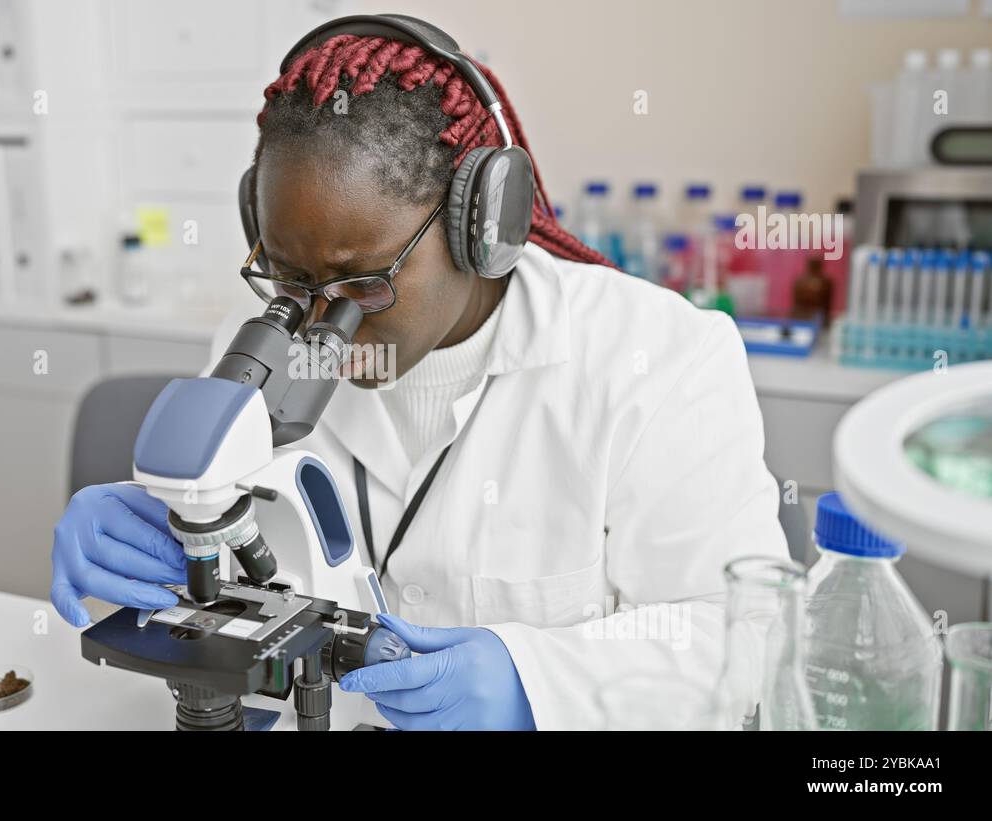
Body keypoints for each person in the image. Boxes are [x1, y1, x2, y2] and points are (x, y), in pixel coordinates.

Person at [50, 20, 788, 730]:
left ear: (481, 226)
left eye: (363, 284)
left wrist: (533, 681)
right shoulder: (270, 344)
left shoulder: (654, 357)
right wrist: (158, 535)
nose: (321, 328)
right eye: (289, 278)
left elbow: (748, 632)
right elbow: (224, 587)